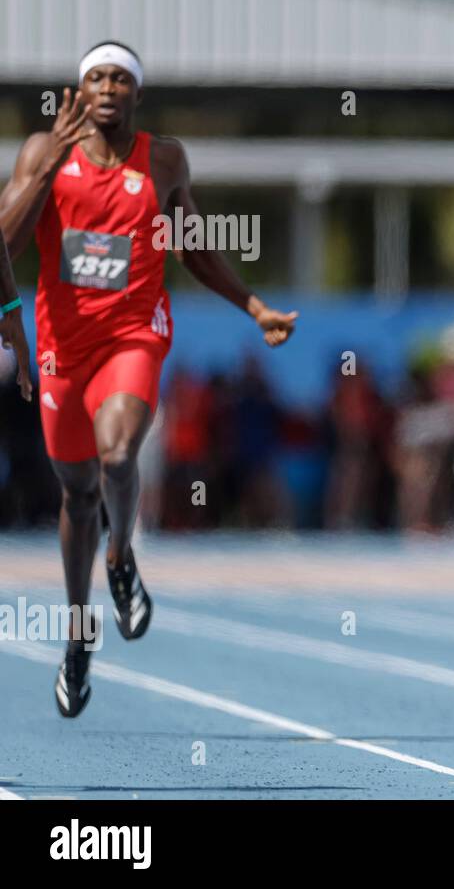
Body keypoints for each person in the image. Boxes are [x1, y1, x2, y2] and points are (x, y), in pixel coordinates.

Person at [0, 41, 298, 717]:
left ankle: (121, 557)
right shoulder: (42, 150)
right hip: (61, 349)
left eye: (120, 79)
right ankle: (78, 633)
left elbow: (190, 244)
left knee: (119, 450)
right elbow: (6, 243)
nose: (107, 87)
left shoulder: (163, 160)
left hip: (133, 334)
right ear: (79, 90)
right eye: (95, 77)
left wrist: (252, 306)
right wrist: (45, 170)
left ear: (137, 93)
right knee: (76, 491)